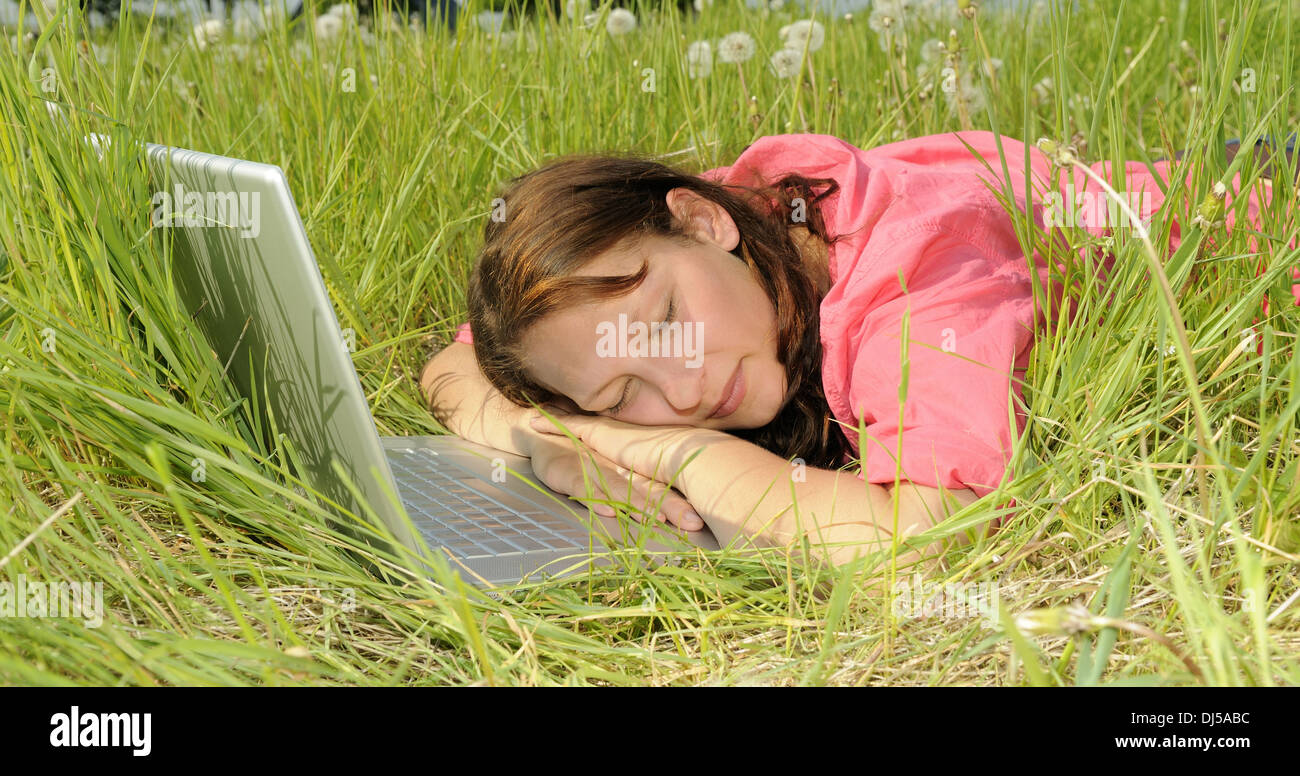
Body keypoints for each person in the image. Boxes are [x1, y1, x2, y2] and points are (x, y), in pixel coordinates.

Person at [420, 131, 1296, 569]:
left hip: (1263, 237)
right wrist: (543, 437)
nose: (681, 388)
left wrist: (662, 449)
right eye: (618, 392)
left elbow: (926, 538)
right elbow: (455, 365)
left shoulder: (914, 270)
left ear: (702, 219)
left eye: (663, 324)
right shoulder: (709, 254)